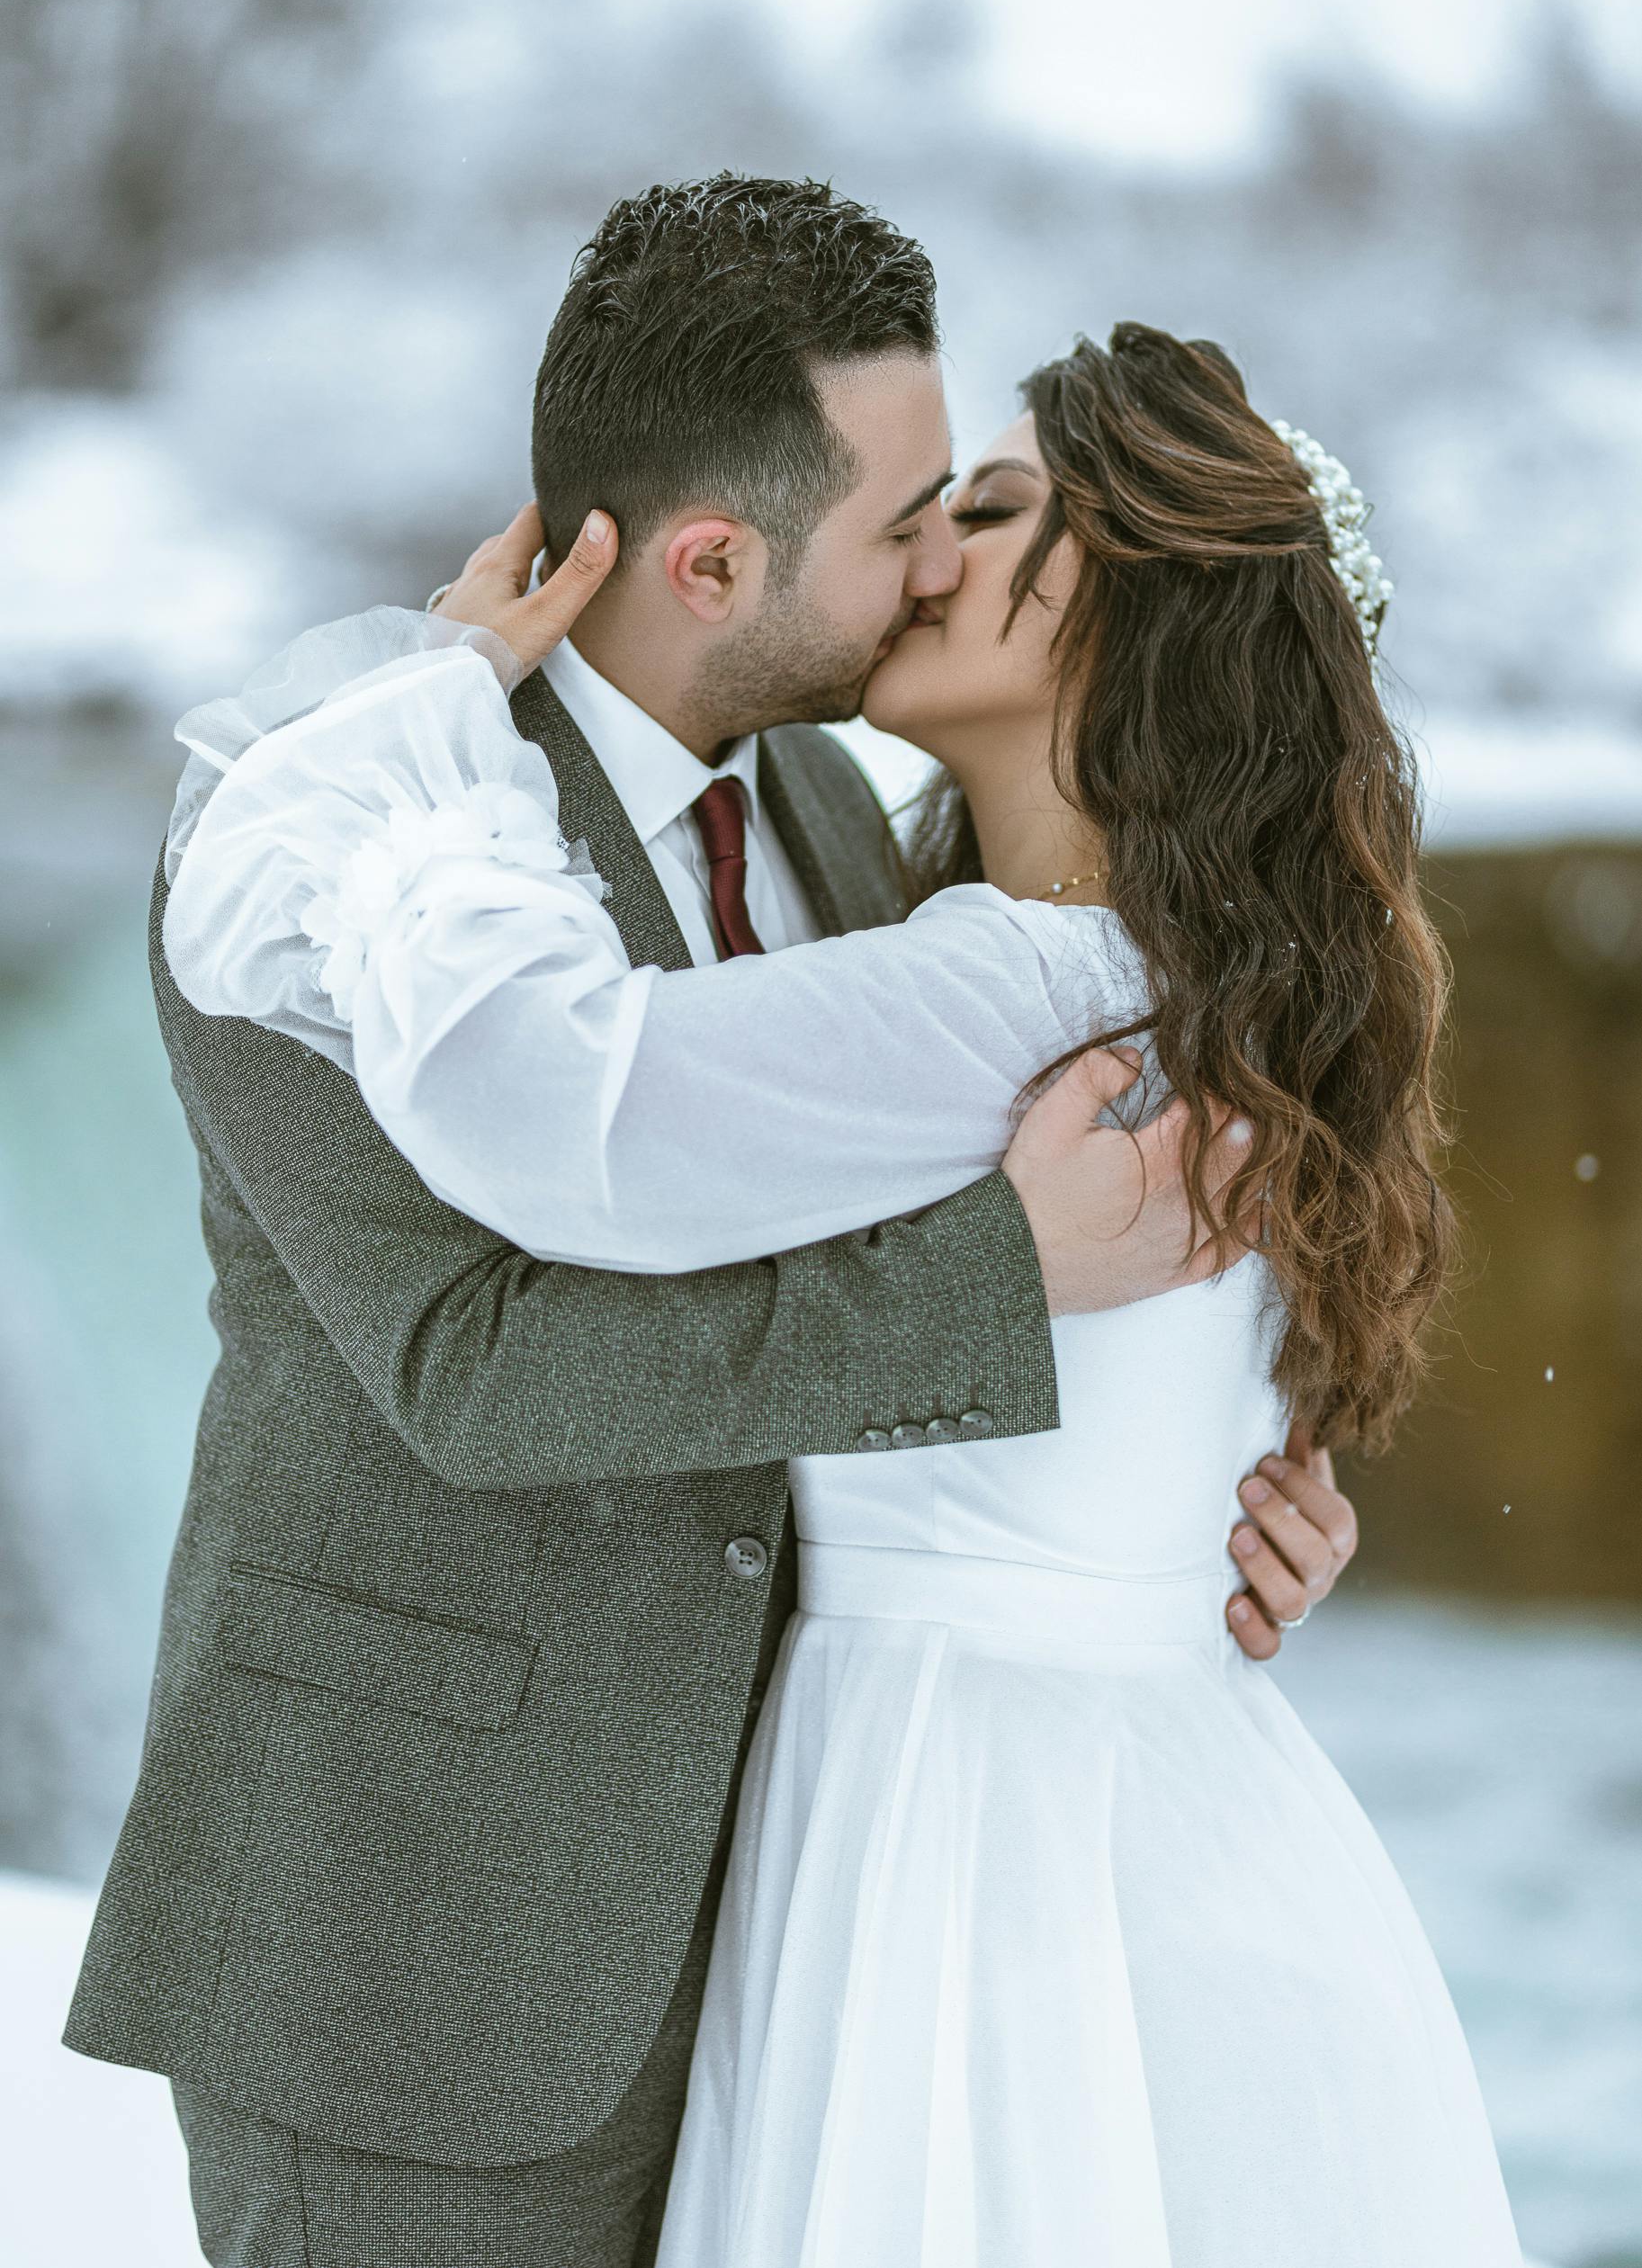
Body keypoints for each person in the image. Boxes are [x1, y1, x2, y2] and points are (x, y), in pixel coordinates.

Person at [66, 177, 1358, 2268]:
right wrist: (1004, 1283)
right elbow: (479, 1373)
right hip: (426, 1949)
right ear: (713, 561)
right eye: (912, 518)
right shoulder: (326, 851)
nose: (936, 564)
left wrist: (1188, 1498)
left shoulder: (839, 809)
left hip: (812, 1929)